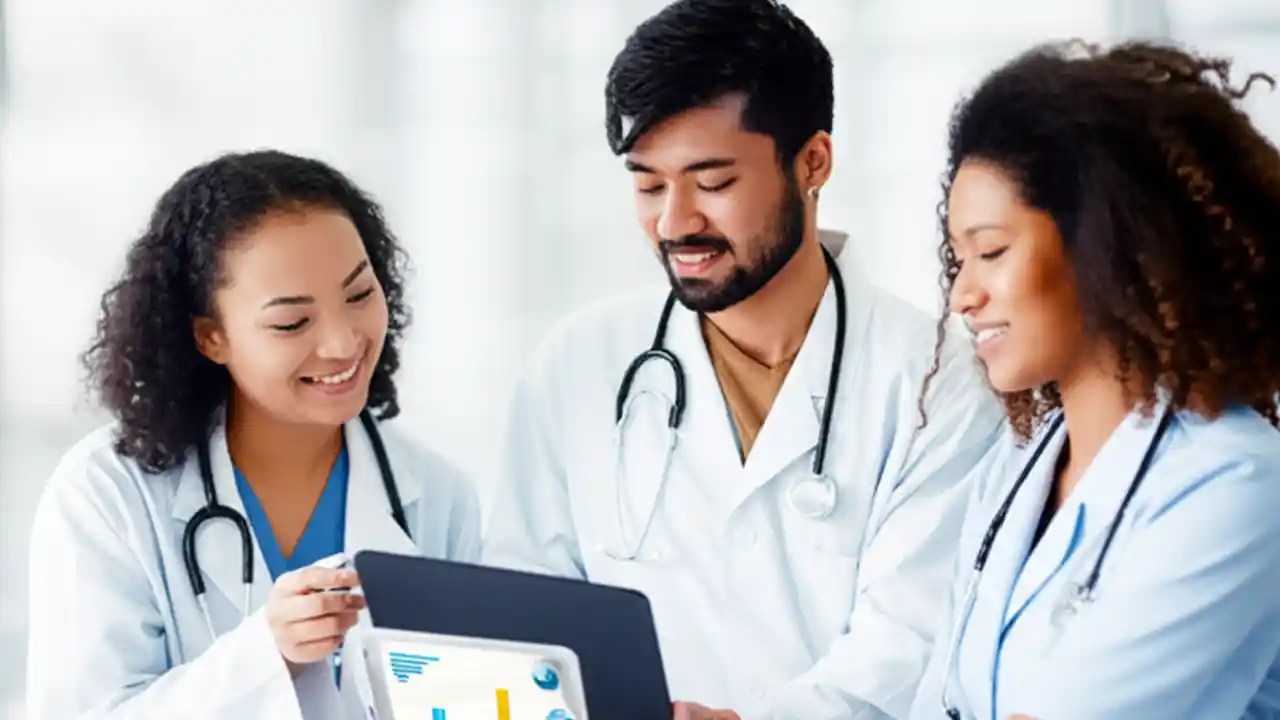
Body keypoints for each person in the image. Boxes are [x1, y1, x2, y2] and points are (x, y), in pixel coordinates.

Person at [483, 1, 1003, 717]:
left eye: (713, 182)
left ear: (813, 162)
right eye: (648, 184)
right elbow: (523, 619)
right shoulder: (578, 367)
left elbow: (909, 645)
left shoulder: (937, 382)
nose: (675, 222)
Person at [26, 150, 481, 720]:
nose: (343, 343)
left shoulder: (439, 498)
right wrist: (265, 657)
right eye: (292, 322)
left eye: (360, 295)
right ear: (210, 337)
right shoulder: (108, 495)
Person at [907, 40, 1280, 720]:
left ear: (1102, 244)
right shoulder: (1016, 471)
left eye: (991, 251)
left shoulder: (1239, 482)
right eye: (958, 259)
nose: (962, 295)